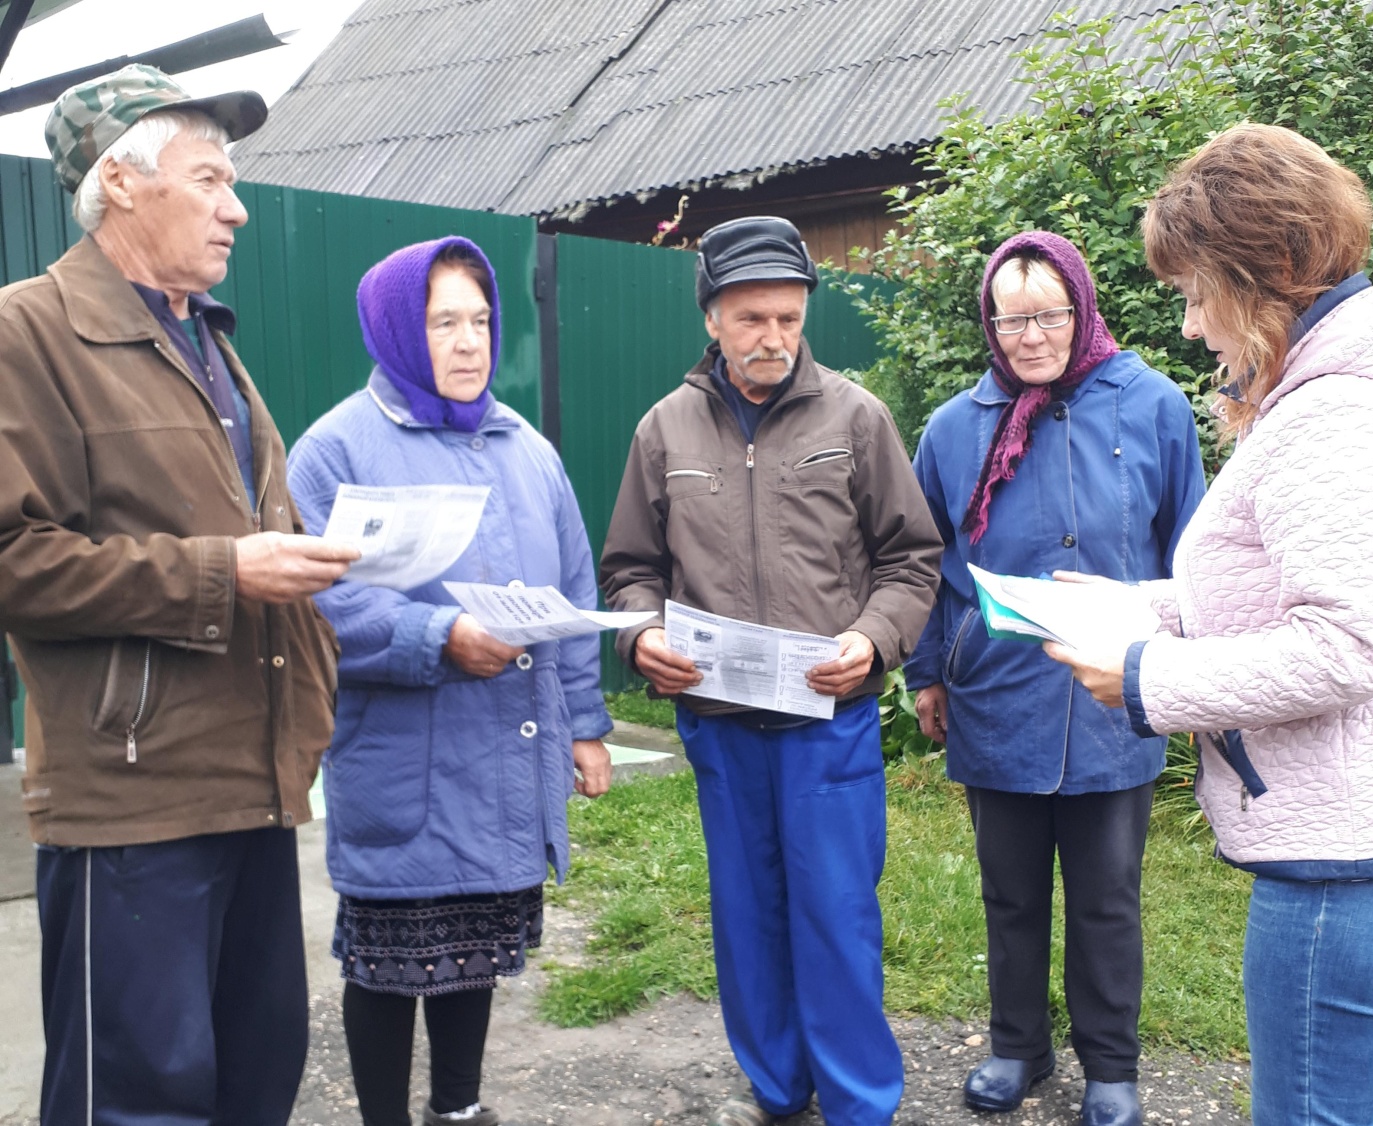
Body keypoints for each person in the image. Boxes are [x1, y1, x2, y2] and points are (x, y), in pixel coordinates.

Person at [1049, 123, 1373, 1125]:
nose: (1192, 325)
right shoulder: (1330, 397)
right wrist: (1128, 610)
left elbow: (1343, 648)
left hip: (1357, 868)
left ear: (1273, 273)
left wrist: (1147, 679)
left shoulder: (1341, 417)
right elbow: (1268, 595)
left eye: (1197, 290)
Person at [0, 65, 359, 1123]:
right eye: (210, 179)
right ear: (120, 182)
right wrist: (225, 569)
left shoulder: (206, 339)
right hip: (132, 799)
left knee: (255, 1081)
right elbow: (15, 559)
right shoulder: (27, 332)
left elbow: (253, 532)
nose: (236, 207)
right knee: (139, 1098)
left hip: (253, 781)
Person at [599, 215, 943, 1126]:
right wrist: (640, 639)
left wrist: (873, 641)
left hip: (829, 724)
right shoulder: (664, 431)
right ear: (712, 317)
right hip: (718, 725)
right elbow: (630, 570)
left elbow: (913, 561)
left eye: (790, 319)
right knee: (748, 918)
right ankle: (778, 1087)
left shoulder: (856, 418)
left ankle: (861, 1104)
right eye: (753, 320)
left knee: (836, 918)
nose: (774, 340)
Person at [287, 236, 614, 1126]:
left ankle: (460, 1109)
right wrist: (438, 637)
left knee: (473, 951)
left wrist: (586, 725)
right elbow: (316, 605)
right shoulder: (334, 453)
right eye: (443, 323)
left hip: (505, 750)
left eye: (479, 321)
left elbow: (575, 593)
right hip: (406, 759)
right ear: (396, 331)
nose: (469, 343)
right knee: (390, 966)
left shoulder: (526, 450)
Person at [906, 231, 1204, 1126]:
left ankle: (1111, 1065)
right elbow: (925, 562)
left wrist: (1181, 665)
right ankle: (1017, 1048)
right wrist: (930, 671)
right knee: (1011, 889)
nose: (1031, 336)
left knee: (1109, 896)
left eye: (1048, 315)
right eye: (1012, 319)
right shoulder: (956, 427)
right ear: (989, 323)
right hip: (995, 692)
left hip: (1115, 693)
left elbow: (1194, 550)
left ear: (1081, 306)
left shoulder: (1151, 405)